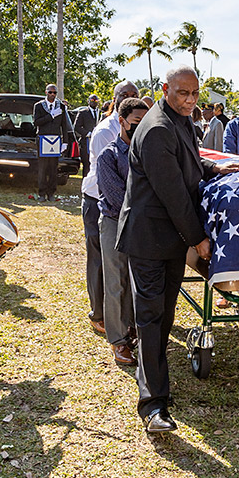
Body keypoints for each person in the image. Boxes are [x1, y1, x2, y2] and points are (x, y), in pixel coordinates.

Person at [115, 67, 239, 434]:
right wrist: (198, 238)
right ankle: (153, 405)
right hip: (148, 239)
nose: (190, 101)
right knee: (151, 319)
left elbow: (189, 161)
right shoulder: (157, 127)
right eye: (182, 93)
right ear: (164, 89)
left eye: (194, 94)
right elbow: (172, 191)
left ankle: (156, 387)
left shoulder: (180, 121)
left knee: (164, 316)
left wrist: (218, 168)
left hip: (168, 240)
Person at [81, 81, 140, 335]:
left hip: (127, 204)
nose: (131, 99)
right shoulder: (106, 131)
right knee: (100, 261)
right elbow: (109, 175)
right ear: (115, 101)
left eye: (135, 96)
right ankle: (99, 313)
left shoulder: (139, 128)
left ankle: (122, 316)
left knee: (120, 268)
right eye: (125, 96)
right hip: (99, 201)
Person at [96, 97, 149, 367]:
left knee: (138, 283)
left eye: (144, 124)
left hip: (144, 226)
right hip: (115, 223)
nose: (139, 129)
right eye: (135, 124)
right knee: (116, 282)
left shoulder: (149, 154)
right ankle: (118, 341)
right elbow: (117, 198)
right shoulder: (108, 155)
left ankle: (134, 331)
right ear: (121, 122)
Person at [33, 84, 74, 201]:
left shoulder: (60, 106)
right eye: (50, 92)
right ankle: (42, 193)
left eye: (54, 93)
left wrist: (65, 142)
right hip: (43, 139)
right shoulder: (39, 106)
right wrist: (50, 116)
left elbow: (64, 126)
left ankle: (51, 193)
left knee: (53, 168)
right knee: (42, 168)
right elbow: (36, 122)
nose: (52, 95)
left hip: (55, 140)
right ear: (46, 92)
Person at [72, 93, 102, 177]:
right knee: (87, 165)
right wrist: (88, 133)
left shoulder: (101, 113)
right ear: (88, 101)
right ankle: (86, 187)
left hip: (98, 141)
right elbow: (76, 127)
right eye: (92, 100)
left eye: (96, 100)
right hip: (86, 142)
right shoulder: (83, 112)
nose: (94, 102)